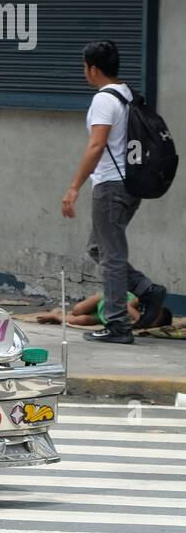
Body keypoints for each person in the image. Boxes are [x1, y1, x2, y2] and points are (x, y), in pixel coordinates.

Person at [61, 40, 166, 344]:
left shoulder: (104, 100)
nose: (84, 72)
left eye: (84, 67)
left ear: (92, 68)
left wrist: (73, 187)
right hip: (130, 185)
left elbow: (96, 145)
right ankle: (146, 289)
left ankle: (118, 325)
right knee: (99, 249)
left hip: (111, 186)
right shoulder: (127, 94)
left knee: (111, 255)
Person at [36, 291, 171, 329]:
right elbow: (129, 305)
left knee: (81, 320)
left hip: (104, 317)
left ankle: (57, 316)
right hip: (104, 300)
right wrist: (136, 315)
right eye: (152, 317)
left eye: (154, 322)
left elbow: (137, 324)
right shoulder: (139, 303)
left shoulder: (141, 324)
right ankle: (65, 312)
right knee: (78, 309)